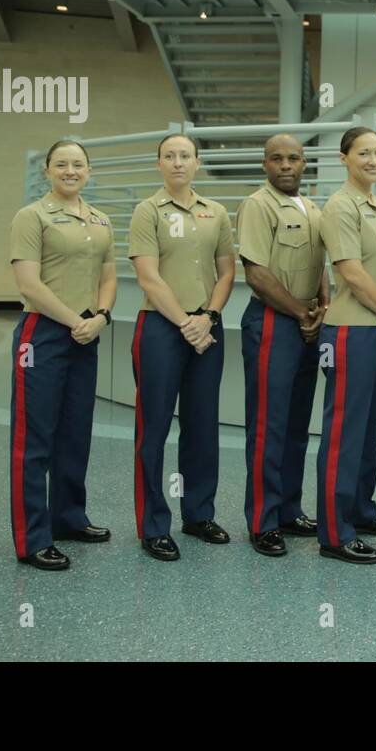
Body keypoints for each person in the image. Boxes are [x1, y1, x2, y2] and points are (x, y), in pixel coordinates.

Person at [8, 139, 116, 570]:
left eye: (78, 165)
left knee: (75, 434)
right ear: (48, 171)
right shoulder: (31, 217)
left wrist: (103, 316)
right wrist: (76, 320)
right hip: (45, 333)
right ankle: (32, 539)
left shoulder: (99, 219)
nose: (70, 171)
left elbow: (108, 275)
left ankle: (69, 518)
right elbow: (28, 284)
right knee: (34, 439)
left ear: (88, 171)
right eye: (61, 164)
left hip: (87, 332)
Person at [128, 133, 236, 561]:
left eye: (185, 156)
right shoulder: (146, 211)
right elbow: (148, 277)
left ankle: (198, 514)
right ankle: (154, 525)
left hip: (207, 327)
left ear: (197, 162)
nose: (177, 163)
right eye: (169, 156)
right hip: (160, 328)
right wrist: (185, 323)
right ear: (159, 164)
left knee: (202, 424)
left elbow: (226, 272)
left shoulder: (217, 213)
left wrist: (207, 318)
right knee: (153, 428)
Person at [316, 126, 376, 564]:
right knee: (343, 431)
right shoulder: (340, 206)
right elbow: (350, 271)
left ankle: (360, 510)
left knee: (367, 426)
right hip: (352, 329)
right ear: (343, 158)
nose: (374, 160)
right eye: (364, 153)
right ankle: (334, 533)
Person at [236, 133, 328, 557]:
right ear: (264, 164)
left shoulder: (311, 208)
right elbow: (257, 274)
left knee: (296, 425)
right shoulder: (258, 205)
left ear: (304, 163)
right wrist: (299, 312)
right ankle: (263, 520)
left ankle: (290, 509)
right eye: (277, 158)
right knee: (268, 425)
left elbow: (319, 264)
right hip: (275, 321)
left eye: (293, 158)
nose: (286, 165)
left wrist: (321, 306)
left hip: (307, 323)